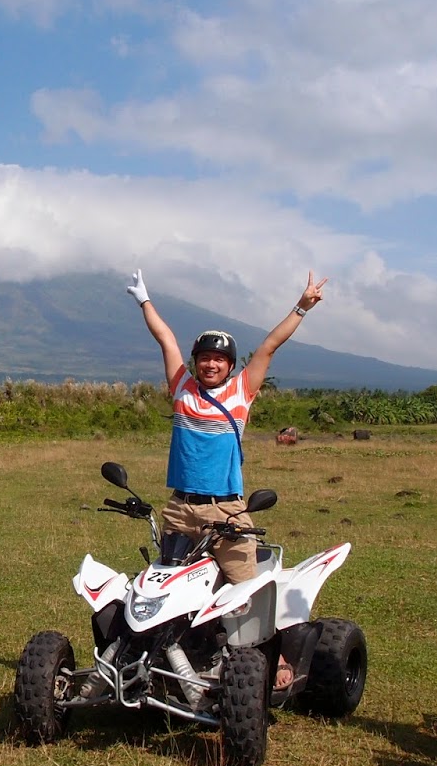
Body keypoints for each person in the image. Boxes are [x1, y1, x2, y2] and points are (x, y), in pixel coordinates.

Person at [128, 268, 327, 690]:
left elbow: (269, 346)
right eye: (204, 357)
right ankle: (176, 660)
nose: (211, 363)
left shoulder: (241, 391)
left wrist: (301, 307)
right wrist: (144, 299)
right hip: (180, 509)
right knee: (167, 590)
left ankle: (277, 660)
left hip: (227, 510)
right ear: (195, 362)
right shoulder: (181, 386)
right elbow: (165, 338)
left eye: (219, 359)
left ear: (231, 366)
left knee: (248, 593)